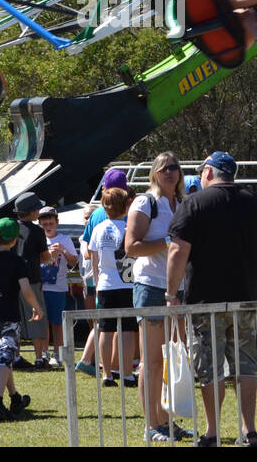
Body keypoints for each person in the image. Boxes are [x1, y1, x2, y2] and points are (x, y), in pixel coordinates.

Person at [166, 151, 257, 447]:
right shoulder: (252, 201)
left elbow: (177, 251)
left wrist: (171, 294)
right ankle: (249, 430)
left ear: (209, 173)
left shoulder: (193, 203)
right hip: (244, 299)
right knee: (246, 365)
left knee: (209, 368)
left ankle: (212, 432)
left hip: (205, 303)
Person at [126, 152, 187, 442]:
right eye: (164, 168)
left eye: (175, 167)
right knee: (151, 362)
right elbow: (131, 247)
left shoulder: (185, 203)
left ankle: (167, 422)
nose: (170, 172)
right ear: (154, 173)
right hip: (151, 287)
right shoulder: (145, 202)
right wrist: (167, 243)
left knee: (172, 360)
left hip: (180, 289)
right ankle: (152, 424)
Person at [0, 217, 44, 420]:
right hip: (10, 317)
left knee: (6, 358)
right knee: (5, 359)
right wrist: (37, 307)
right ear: (14, 240)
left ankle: (15, 398)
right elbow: (26, 290)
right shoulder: (18, 262)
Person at [76, 169, 128, 377]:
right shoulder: (129, 214)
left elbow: (87, 249)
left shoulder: (97, 214)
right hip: (122, 279)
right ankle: (113, 366)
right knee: (121, 327)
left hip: (100, 278)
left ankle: (103, 366)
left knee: (104, 325)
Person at [89, 187, 137, 388]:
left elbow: (93, 259)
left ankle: (107, 374)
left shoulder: (98, 228)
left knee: (106, 330)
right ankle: (126, 373)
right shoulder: (128, 229)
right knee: (127, 330)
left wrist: (96, 284)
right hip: (128, 285)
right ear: (126, 205)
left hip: (106, 285)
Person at [11, 192, 54, 369]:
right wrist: (51, 256)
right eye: (37, 208)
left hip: (11, 280)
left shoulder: (11, 228)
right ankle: (38, 357)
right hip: (32, 280)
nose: (39, 211)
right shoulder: (37, 231)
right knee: (37, 315)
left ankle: (15, 356)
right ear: (31, 212)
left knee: (15, 319)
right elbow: (43, 256)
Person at [38, 207, 78, 369]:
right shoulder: (38, 239)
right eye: (44, 224)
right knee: (43, 322)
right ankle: (44, 352)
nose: (48, 227)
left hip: (58, 288)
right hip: (40, 287)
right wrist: (48, 253)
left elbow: (74, 262)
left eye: (51, 223)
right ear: (39, 224)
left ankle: (57, 353)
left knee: (57, 323)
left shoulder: (65, 239)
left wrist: (63, 251)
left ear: (57, 223)